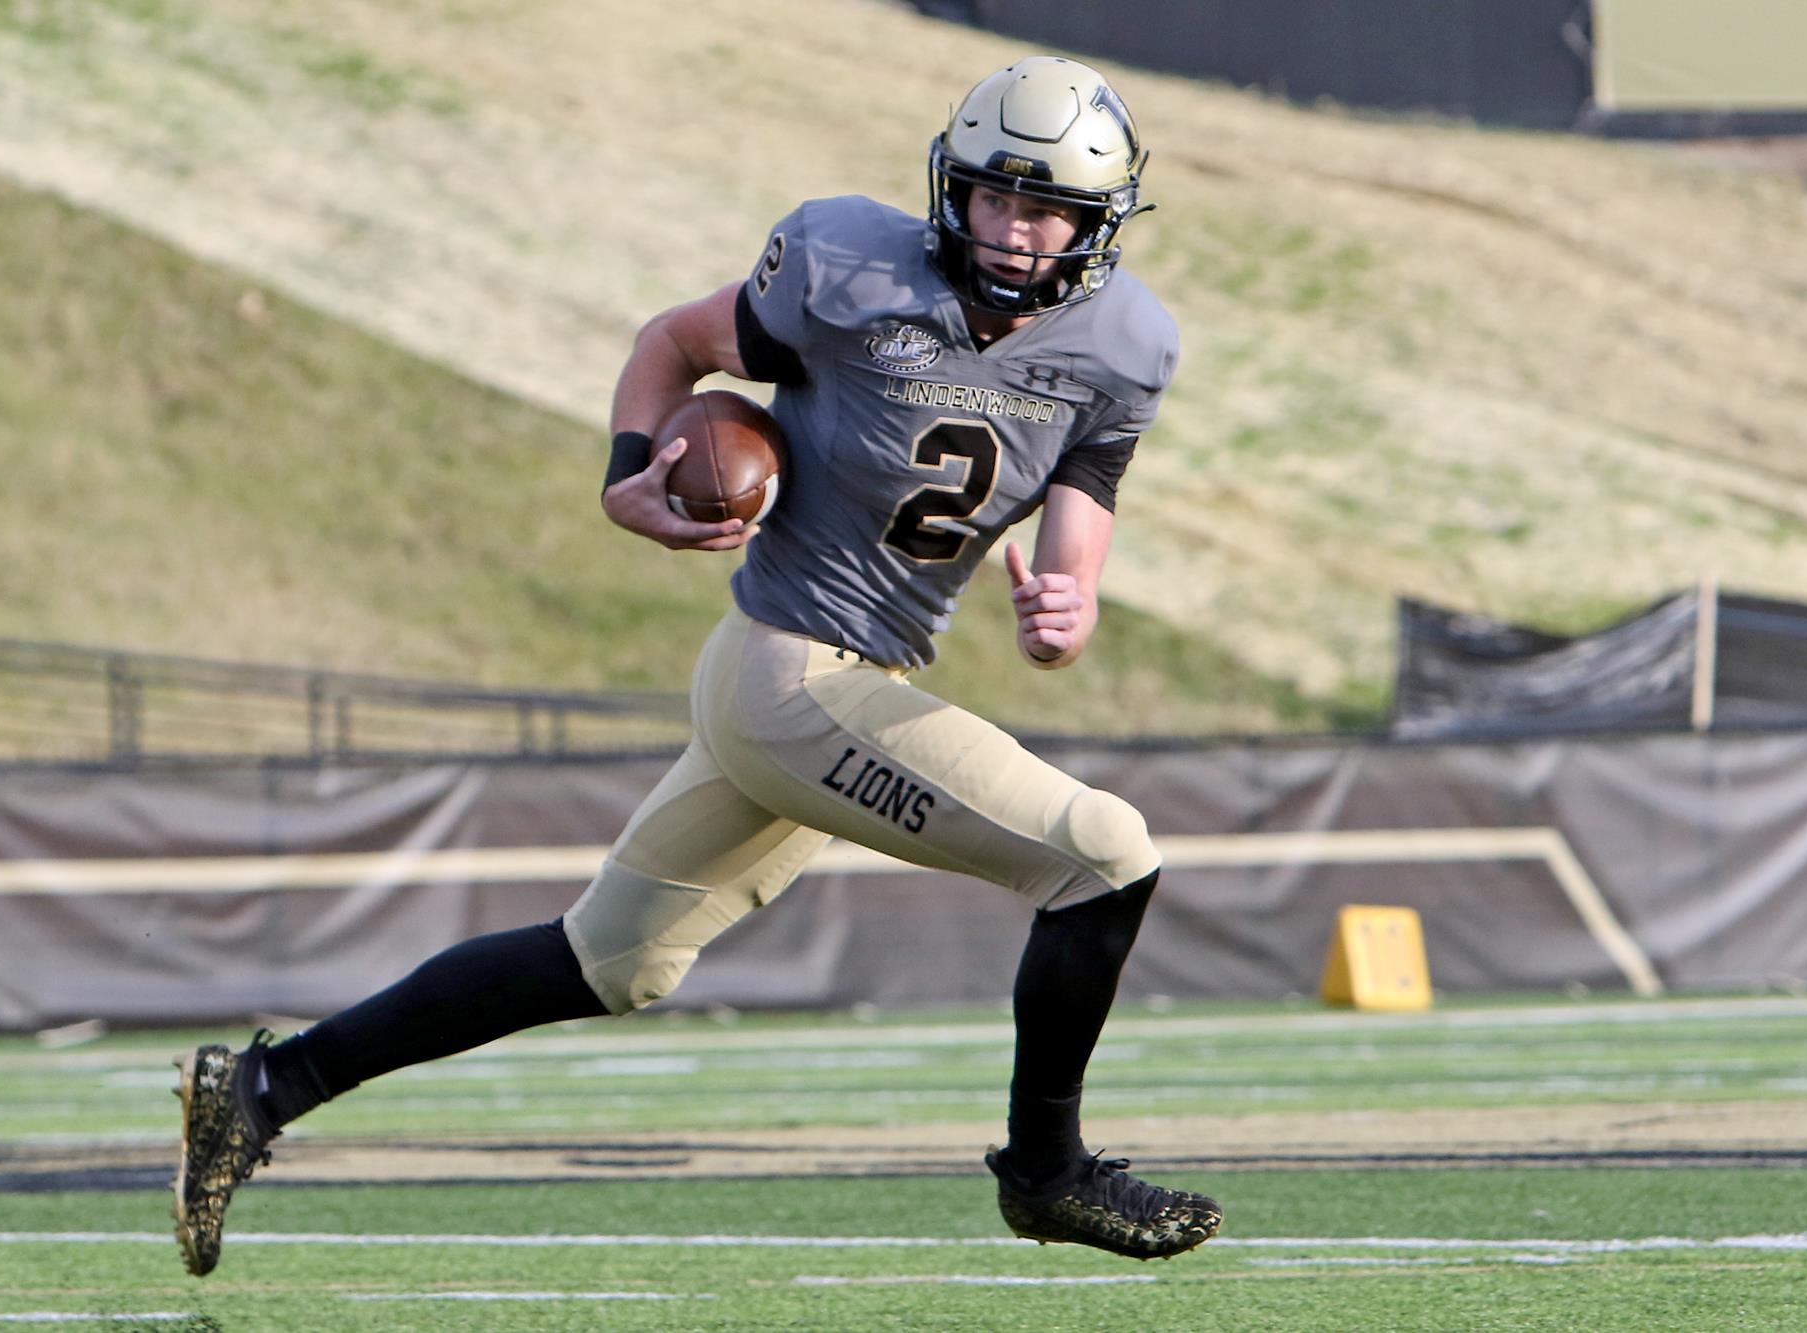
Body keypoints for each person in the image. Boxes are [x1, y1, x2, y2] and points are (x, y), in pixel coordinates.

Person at [170, 55, 1221, 1278]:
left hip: (821, 682)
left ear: (1096, 226)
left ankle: (259, 1087)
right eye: (993, 196)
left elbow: (1083, 486)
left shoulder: (1123, 344)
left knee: (605, 960)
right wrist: (627, 470)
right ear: (952, 187)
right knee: (1101, 855)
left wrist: (1067, 599)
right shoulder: (847, 268)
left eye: (1045, 210)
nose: (1013, 228)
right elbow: (673, 340)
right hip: (792, 675)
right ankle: (1044, 1171)